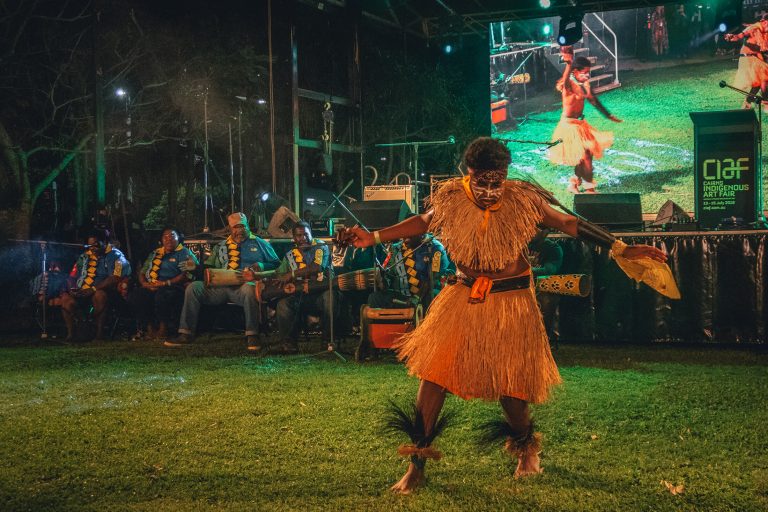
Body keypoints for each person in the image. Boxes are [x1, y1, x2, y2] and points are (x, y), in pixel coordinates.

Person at [338, 137, 676, 494]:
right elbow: (422, 222)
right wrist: (373, 236)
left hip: (511, 302)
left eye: (495, 180)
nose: (488, 190)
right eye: (480, 181)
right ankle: (416, 464)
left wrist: (620, 246)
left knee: (511, 386)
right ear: (468, 174)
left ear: (506, 174)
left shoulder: (523, 199)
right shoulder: (452, 199)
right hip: (462, 297)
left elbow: (569, 224)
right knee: (434, 375)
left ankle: (526, 450)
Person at [164, 212, 280, 350]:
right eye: (235, 228)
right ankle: (186, 333)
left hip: (243, 287)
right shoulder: (221, 246)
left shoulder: (260, 243)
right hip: (219, 287)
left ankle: (253, 335)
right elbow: (209, 268)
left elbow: (277, 264)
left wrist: (261, 266)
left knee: (250, 289)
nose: (239, 231)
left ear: (248, 227)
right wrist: (195, 268)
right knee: (194, 287)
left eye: (242, 227)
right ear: (230, 229)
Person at [548, 46, 622, 194]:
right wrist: (569, 63)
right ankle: (590, 189)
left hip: (581, 125)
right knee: (586, 156)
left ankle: (574, 182)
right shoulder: (568, 85)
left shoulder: (585, 85)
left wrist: (608, 115)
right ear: (575, 72)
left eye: (589, 73)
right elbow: (566, 77)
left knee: (584, 157)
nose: (587, 76)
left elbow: (593, 101)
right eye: (585, 72)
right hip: (569, 126)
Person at [270, 221, 336, 354]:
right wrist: (259, 275)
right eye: (299, 236)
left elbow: (317, 267)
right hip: (300, 295)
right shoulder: (290, 255)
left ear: (311, 234)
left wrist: (292, 274)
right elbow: (279, 273)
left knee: (330, 297)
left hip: (321, 293)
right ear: (294, 238)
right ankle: (288, 344)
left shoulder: (320, 247)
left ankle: (328, 341)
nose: (303, 238)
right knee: (283, 304)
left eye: (306, 234)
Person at [60, 229, 132, 341]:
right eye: (90, 245)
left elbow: (116, 277)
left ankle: (99, 334)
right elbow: (72, 276)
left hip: (103, 290)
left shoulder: (116, 255)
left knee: (100, 295)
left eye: (96, 244)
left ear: (105, 242)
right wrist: (71, 289)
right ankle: (72, 334)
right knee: (65, 299)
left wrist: (93, 289)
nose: (92, 248)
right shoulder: (84, 256)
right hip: (82, 290)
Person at [129, 228, 198, 341]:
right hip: (153, 285)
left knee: (162, 295)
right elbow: (143, 271)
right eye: (165, 237)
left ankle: (163, 329)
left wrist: (165, 283)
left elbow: (186, 274)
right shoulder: (155, 253)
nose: (168, 239)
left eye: (172, 236)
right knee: (138, 295)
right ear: (161, 240)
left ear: (178, 238)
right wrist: (144, 284)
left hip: (173, 285)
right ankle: (150, 328)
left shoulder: (183, 252)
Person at [368, 233, 454, 310]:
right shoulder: (395, 249)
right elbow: (389, 277)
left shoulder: (435, 247)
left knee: (431, 298)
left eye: (409, 233)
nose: (404, 238)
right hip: (403, 298)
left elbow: (432, 279)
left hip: (426, 296)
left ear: (420, 233)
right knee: (374, 298)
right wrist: (381, 279)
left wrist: (417, 297)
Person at [724, 15, 768, 109]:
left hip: (758, 58)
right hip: (748, 58)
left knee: (760, 83)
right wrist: (733, 37)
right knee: (762, 81)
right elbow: (741, 35)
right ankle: (765, 104)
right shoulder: (753, 28)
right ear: (764, 22)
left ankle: (748, 103)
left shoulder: (766, 32)